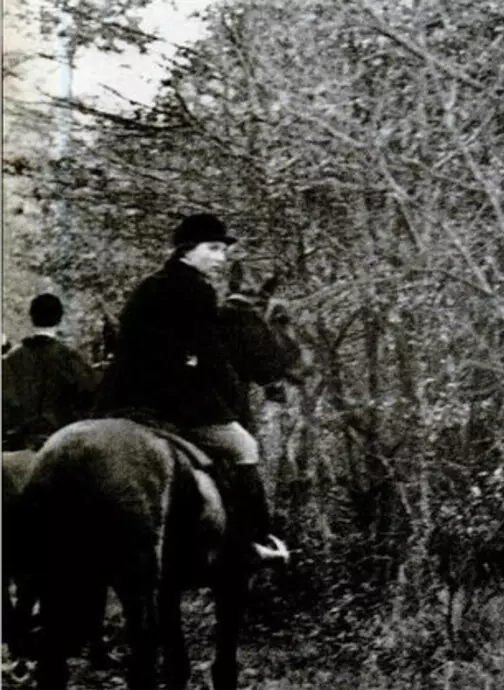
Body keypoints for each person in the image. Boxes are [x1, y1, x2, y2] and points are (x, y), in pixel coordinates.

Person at [97, 212, 289, 563]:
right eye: (213, 249)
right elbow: (211, 354)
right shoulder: (197, 290)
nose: (220, 258)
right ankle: (253, 542)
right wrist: (223, 397)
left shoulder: (148, 285)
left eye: (223, 251)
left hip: (120, 399)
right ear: (187, 250)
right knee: (244, 446)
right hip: (173, 403)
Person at [2, 294, 98, 450]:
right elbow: (89, 395)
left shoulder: (11, 360)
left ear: (31, 317)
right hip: (62, 443)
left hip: (18, 444)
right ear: (59, 318)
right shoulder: (69, 357)